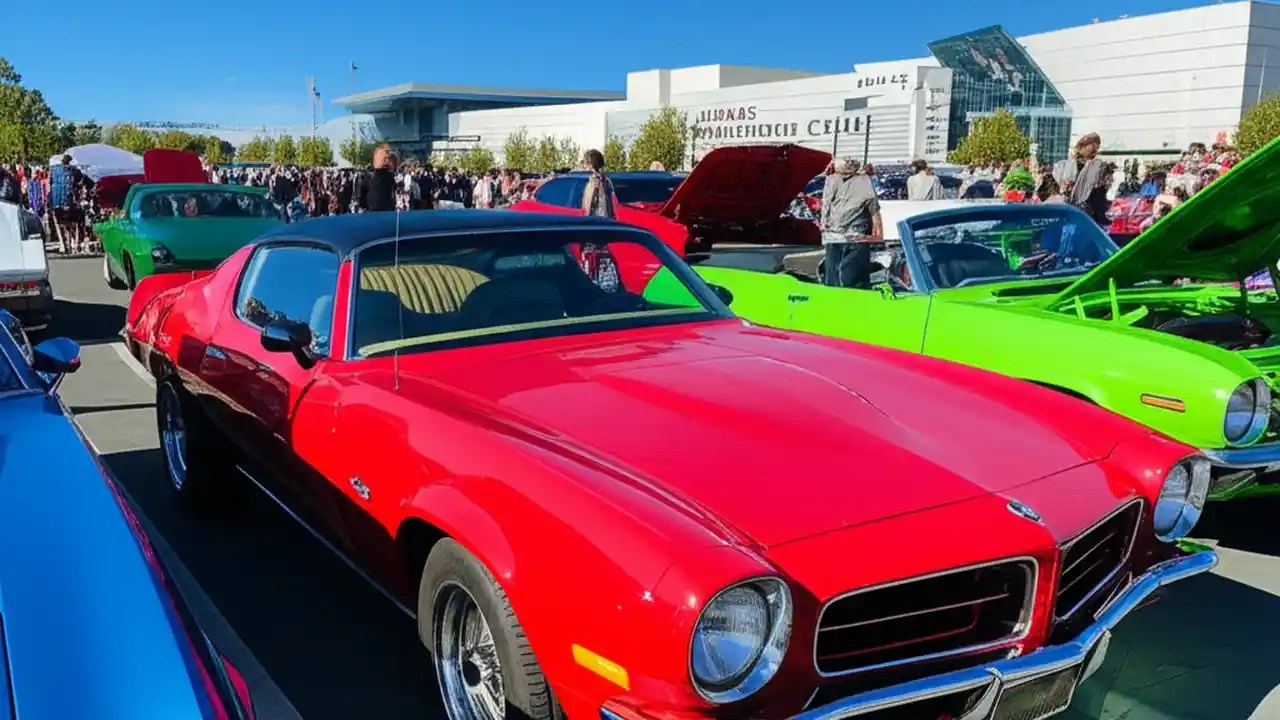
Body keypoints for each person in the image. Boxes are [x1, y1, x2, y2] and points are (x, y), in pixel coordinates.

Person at [820, 158, 882, 289]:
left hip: (836, 235)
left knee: (834, 277)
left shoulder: (832, 180)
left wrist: (824, 226)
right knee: (853, 280)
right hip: (854, 236)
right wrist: (878, 233)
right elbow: (874, 210)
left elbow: (826, 207)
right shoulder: (862, 181)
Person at [360, 144, 397, 212]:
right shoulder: (368, 178)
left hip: (385, 214)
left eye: (387, 157)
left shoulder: (390, 178)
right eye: (384, 157)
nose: (386, 159)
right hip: (375, 215)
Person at [580, 149, 616, 218]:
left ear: (590, 165)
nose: (584, 168)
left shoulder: (594, 181)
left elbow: (590, 206)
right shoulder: (607, 181)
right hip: (606, 222)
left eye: (585, 164)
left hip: (594, 222)